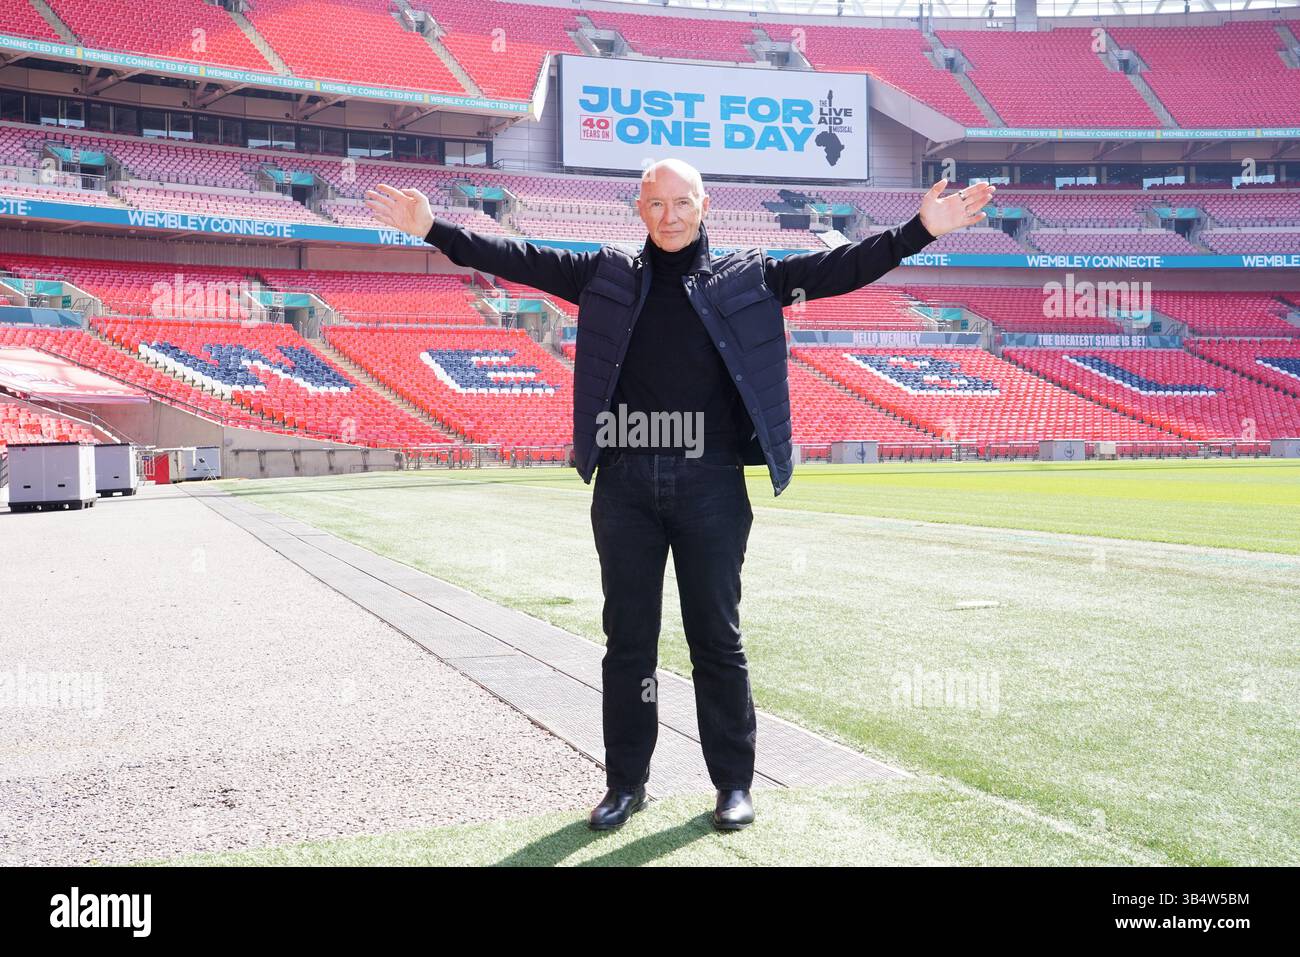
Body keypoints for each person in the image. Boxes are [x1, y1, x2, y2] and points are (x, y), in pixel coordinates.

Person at [366, 163, 994, 832]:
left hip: (712, 484)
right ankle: (625, 784)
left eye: (682, 202)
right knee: (628, 643)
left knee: (716, 642)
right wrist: (432, 227)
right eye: (657, 202)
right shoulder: (605, 276)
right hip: (626, 487)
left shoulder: (748, 278)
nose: (670, 214)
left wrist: (921, 230)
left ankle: (732, 784)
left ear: (704, 205)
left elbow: (844, 267)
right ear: (640, 207)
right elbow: (514, 257)